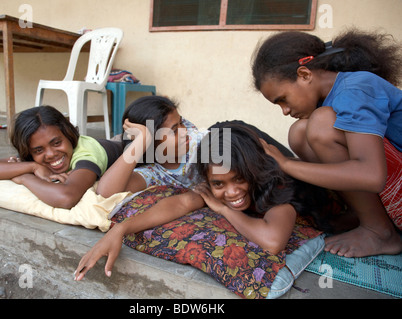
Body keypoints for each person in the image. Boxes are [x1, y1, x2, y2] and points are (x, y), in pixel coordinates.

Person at [74, 121, 335, 280]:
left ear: (253, 172)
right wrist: (121, 229)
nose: (231, 192)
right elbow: (179, 204)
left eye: (239, 179)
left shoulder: (275, 186)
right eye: (219, 184)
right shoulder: (210, 183)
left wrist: (223, 208)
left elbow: (272, 242)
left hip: (331, 208)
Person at [251, 29, 402, 258]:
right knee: (299, 133)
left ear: (304, 74)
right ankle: (364, 214)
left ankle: (380, 231)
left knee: (321, 124)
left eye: (283, 99)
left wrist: (287, 164)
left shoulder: (355, 89)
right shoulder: (337, 95)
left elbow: (372, 174)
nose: (285, 111)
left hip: (387, 181)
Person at [0, 105, 122, 209]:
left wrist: (25, 177)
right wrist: (32, 166)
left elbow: (67, 198)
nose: (50, 154)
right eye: (38, 150)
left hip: (134, 151)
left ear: (68, 135)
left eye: (56, 143)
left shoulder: (86, 154)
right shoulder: (35, 157)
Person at [96, 95, 207, 197]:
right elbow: (105, 192)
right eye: (174, 131)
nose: (184, 131)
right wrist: (142, 138)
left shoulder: (200, 142)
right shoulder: (154, 174)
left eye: (181, 122)